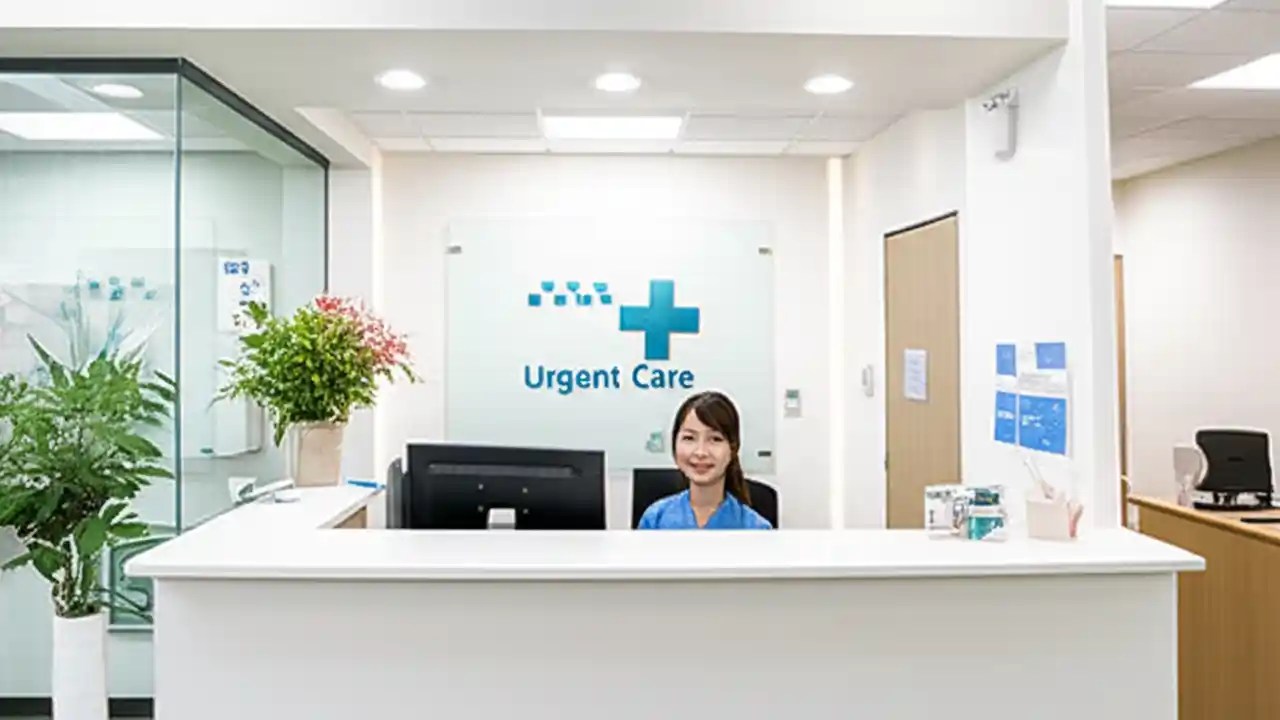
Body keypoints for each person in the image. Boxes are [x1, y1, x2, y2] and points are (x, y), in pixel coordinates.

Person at [637, 391, 773, 530]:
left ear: (733, 449)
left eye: (715, 439)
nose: (700, 452)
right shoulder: (655, 520)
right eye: (689, 438)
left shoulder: (756, 528)